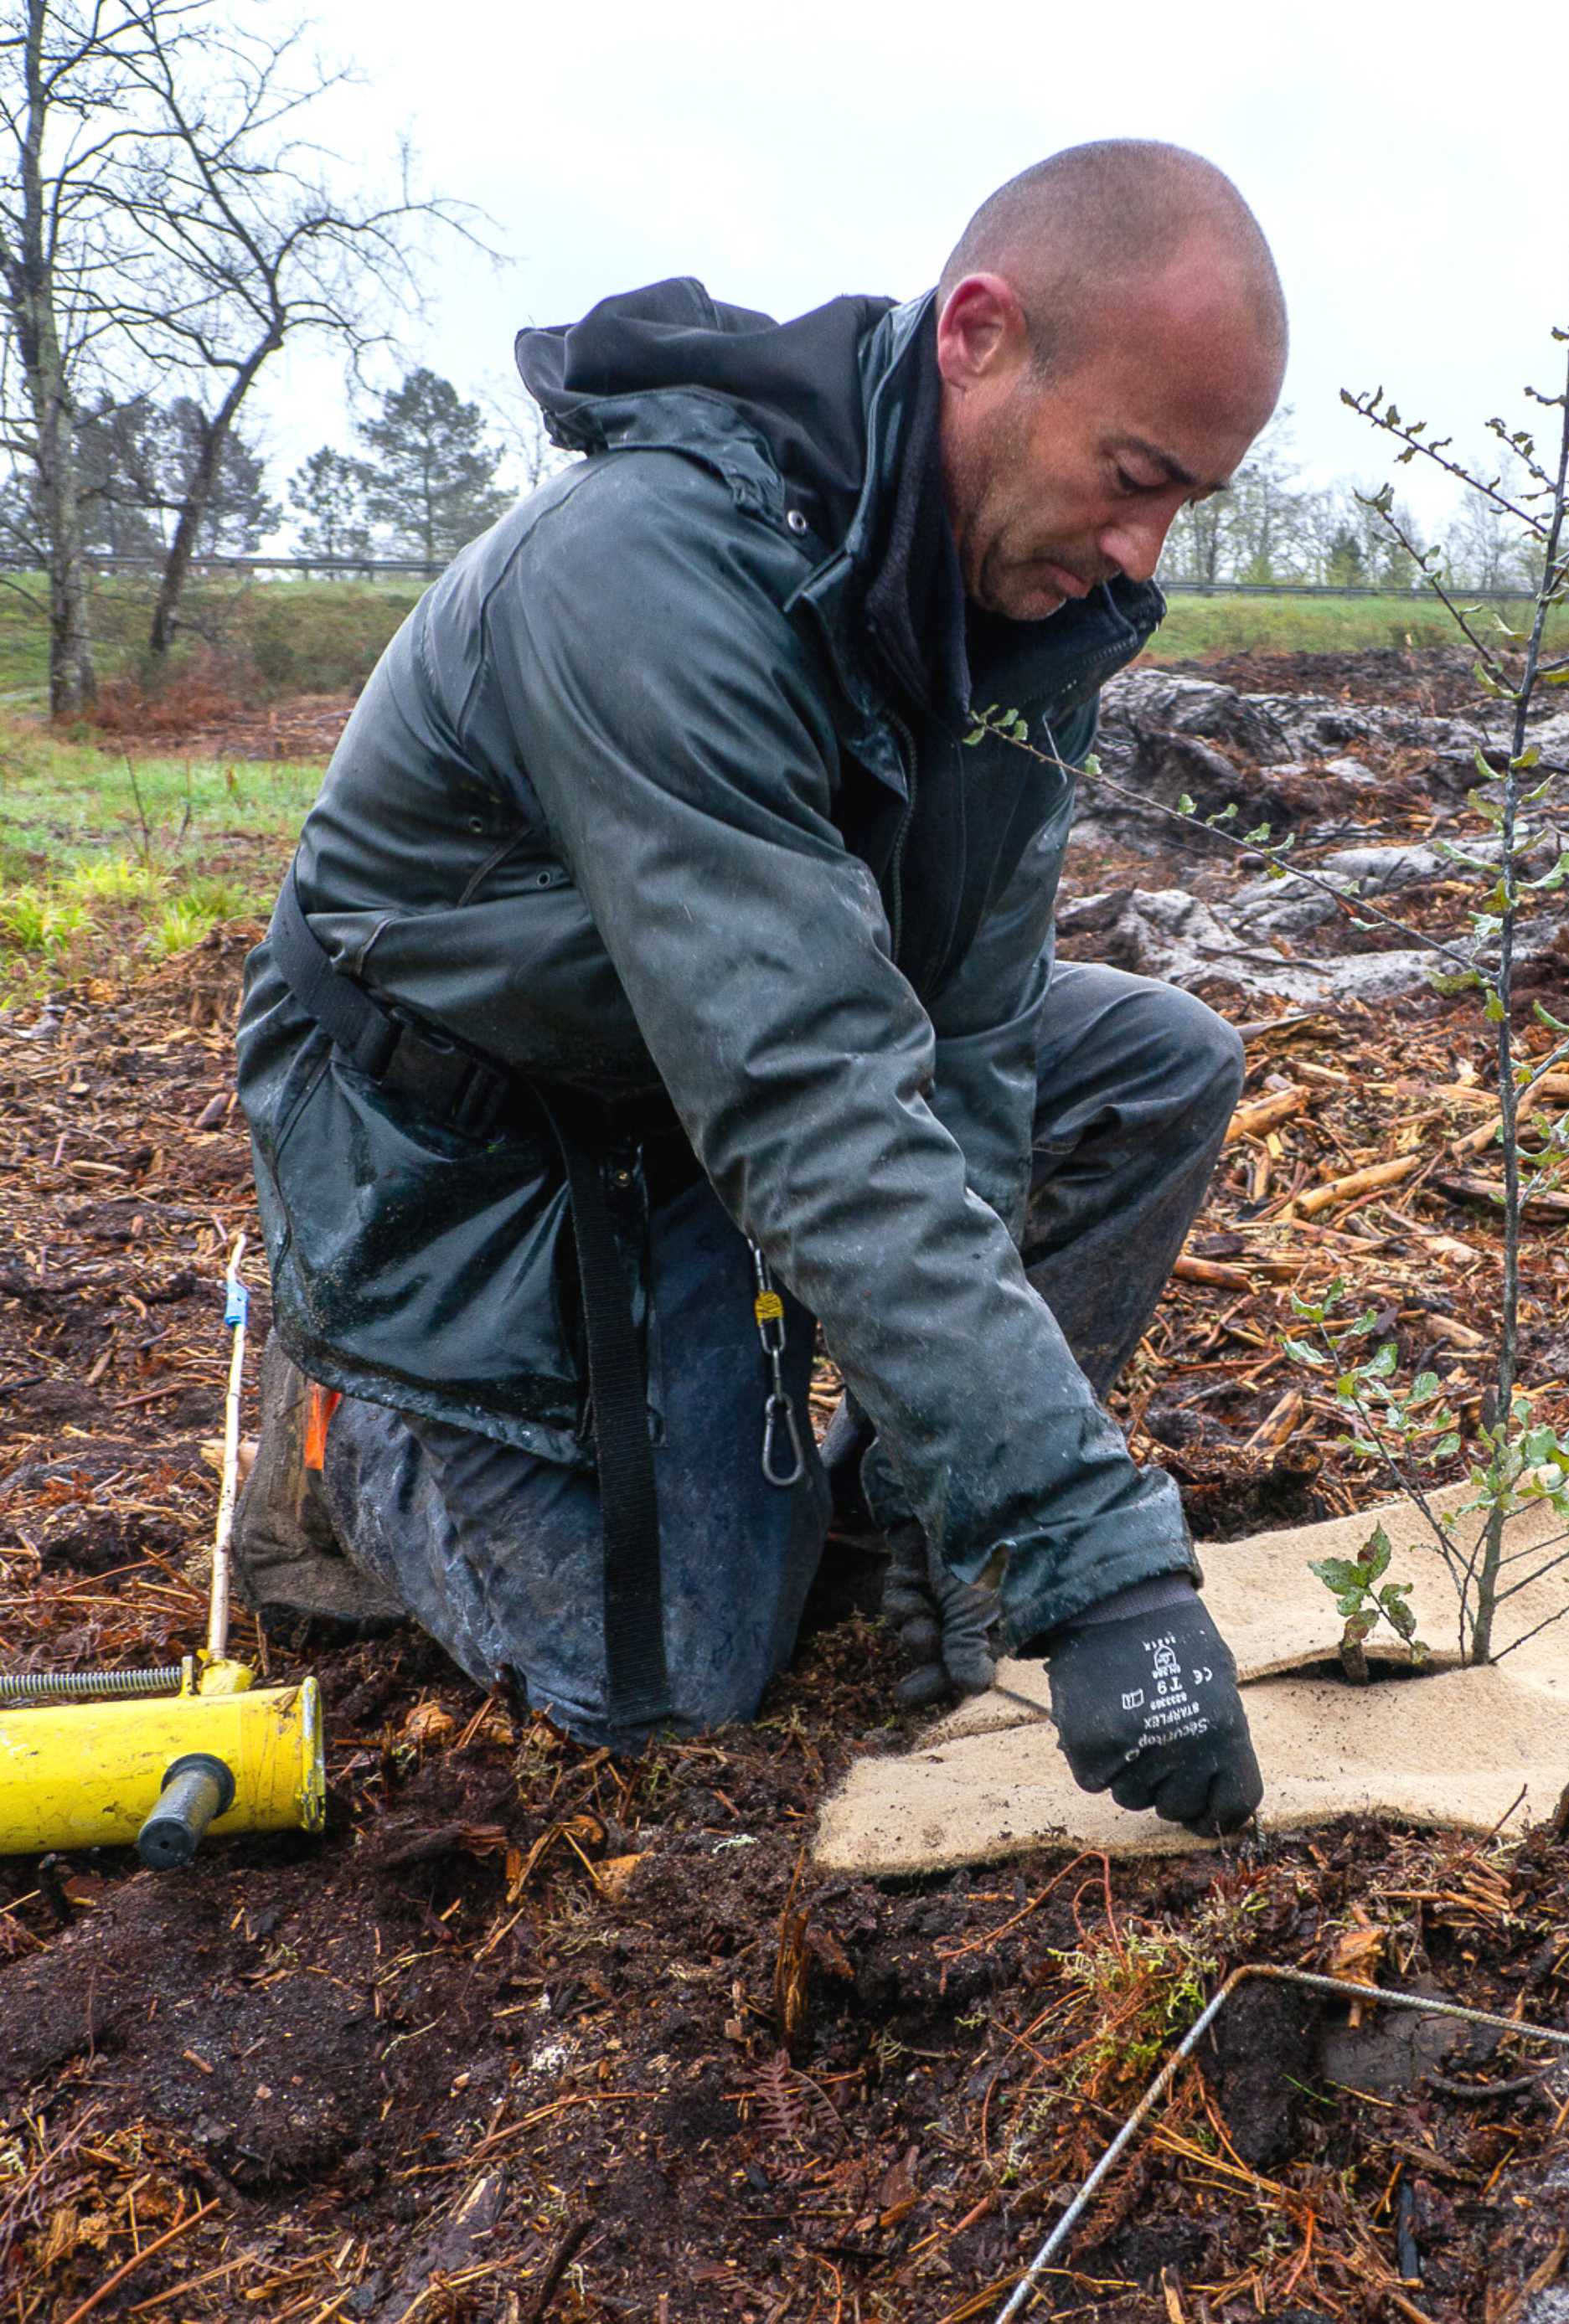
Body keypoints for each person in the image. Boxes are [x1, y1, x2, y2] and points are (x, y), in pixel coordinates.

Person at [231, 142, 1282, 1837]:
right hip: (477, 1148)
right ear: (981, 337)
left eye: (1187, 503)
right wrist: (1093, 1565)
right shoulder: (646, 576)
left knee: (1152, 1065)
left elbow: (975, 1042)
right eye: (1134, 474)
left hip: (706, 1079)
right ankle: (357, 1439)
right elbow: (810, 1095)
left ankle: (860, 1501)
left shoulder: (1026, 615)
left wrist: (962, 1503)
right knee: (670, 1678)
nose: (1142, 547)